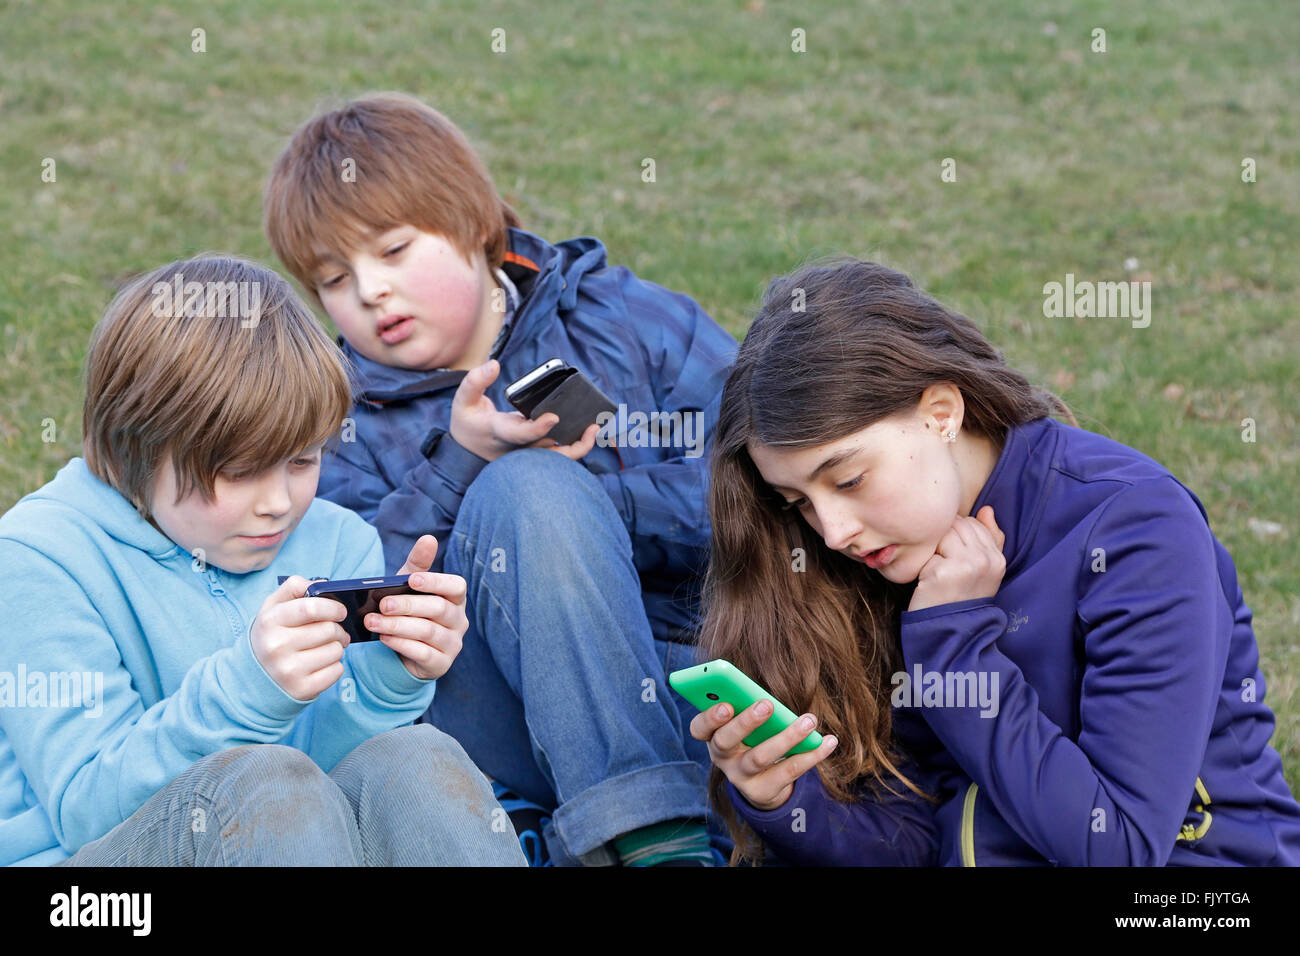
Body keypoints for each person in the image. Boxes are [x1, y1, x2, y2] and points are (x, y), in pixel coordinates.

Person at [691, 257, 1300, 866]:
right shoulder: (876, 561)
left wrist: (952, 646)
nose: (833, 533)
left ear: (942, 413)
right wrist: (787, 801)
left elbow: (1117, 845)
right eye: (799, 503)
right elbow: (924, 837)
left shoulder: (1136, 527)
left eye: (848, 480)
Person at [262, 93, 739, 866]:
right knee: (524, 489)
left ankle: (566, 834)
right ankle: (657, 843)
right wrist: (461, 462)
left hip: (681, 674)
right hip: (481, 715)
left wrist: (599, 504)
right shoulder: (328, 414)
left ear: (474, 225)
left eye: (392, 250)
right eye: (333, 279)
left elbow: (768, 485)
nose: (371, 292)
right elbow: (344, 597)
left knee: (541, 493)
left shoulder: (625, 321)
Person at [0, 255, 525, 867]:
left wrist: (388, 679)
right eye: (239, 472)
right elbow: (85, 812)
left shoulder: (335, 542)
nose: (279, 504)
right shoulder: (40, 557)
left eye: (303, 461)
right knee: (264, 781)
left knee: (416, 757)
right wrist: (243, 693)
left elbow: (331, 796)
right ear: (130, 448)